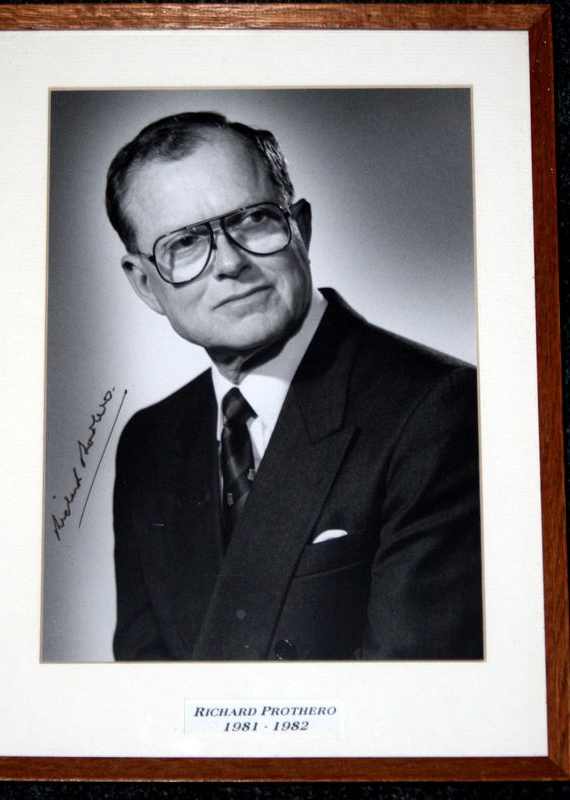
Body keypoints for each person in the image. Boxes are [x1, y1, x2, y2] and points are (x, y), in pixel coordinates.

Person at [105, 111, 483, 661]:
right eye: (185, 243)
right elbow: (146, 697)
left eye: (253, 220)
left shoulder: (436, 410)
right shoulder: (148, 442)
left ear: (300, 228)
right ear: (145, 283)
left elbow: (408, 704)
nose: (230, 263)